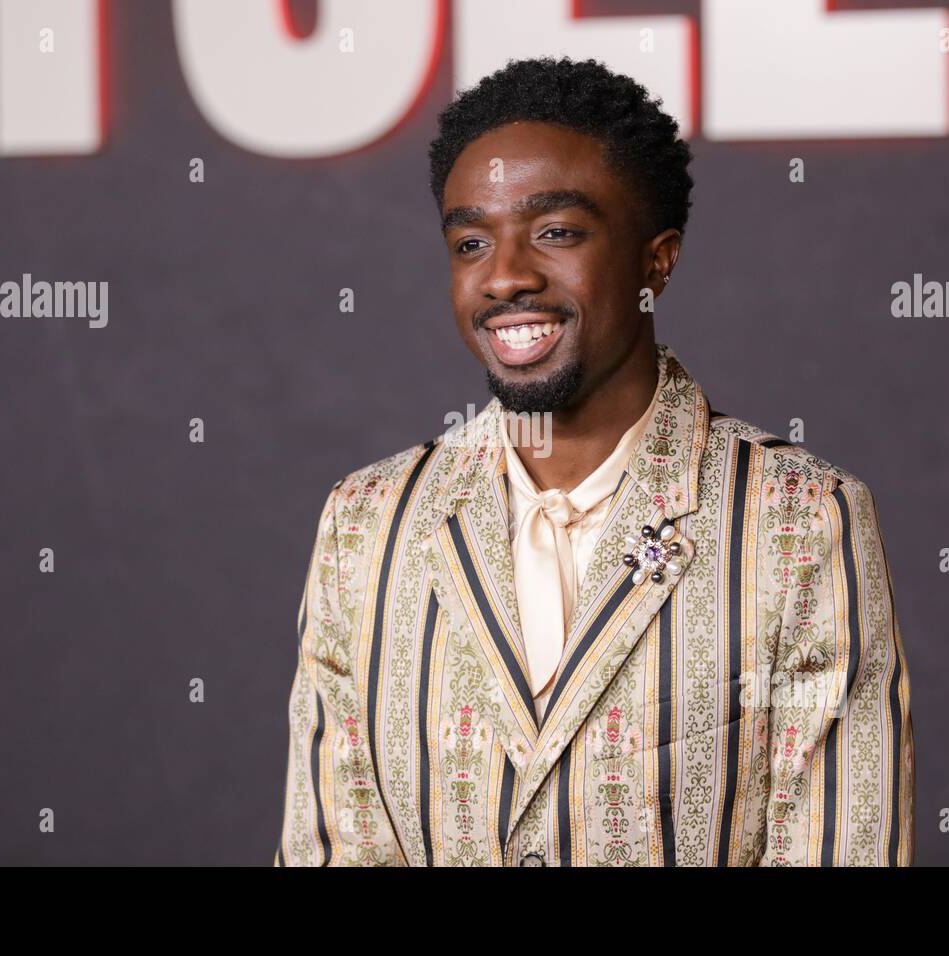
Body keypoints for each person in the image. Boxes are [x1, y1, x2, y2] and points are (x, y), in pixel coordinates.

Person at [276, 56, 913, 866]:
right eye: (472, 241)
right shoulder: (365, 522)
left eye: (557, 233)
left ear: (659, 259)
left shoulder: (800, 516)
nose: (506, 275)